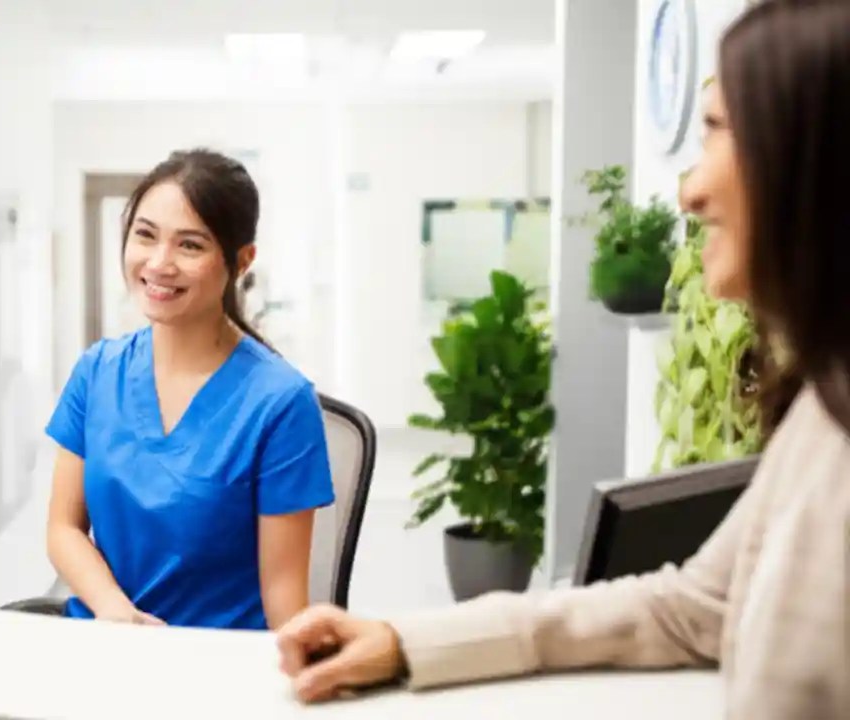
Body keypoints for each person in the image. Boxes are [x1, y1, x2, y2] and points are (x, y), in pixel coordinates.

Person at [275, 2, 850, 717]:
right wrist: (406, 640)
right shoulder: (822, 415)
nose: (690, 190)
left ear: (815, 154)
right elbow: (694, 605)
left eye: (719, 133)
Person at [45, 149, 335, 630]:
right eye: (145, 235)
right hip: (105, 645)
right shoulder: (96, 372)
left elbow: (284, 595)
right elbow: (63, 528)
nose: (159, 263)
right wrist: (114, 609)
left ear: (241, 261)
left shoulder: (281, 404)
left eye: (190, 245)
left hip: (217, 670)